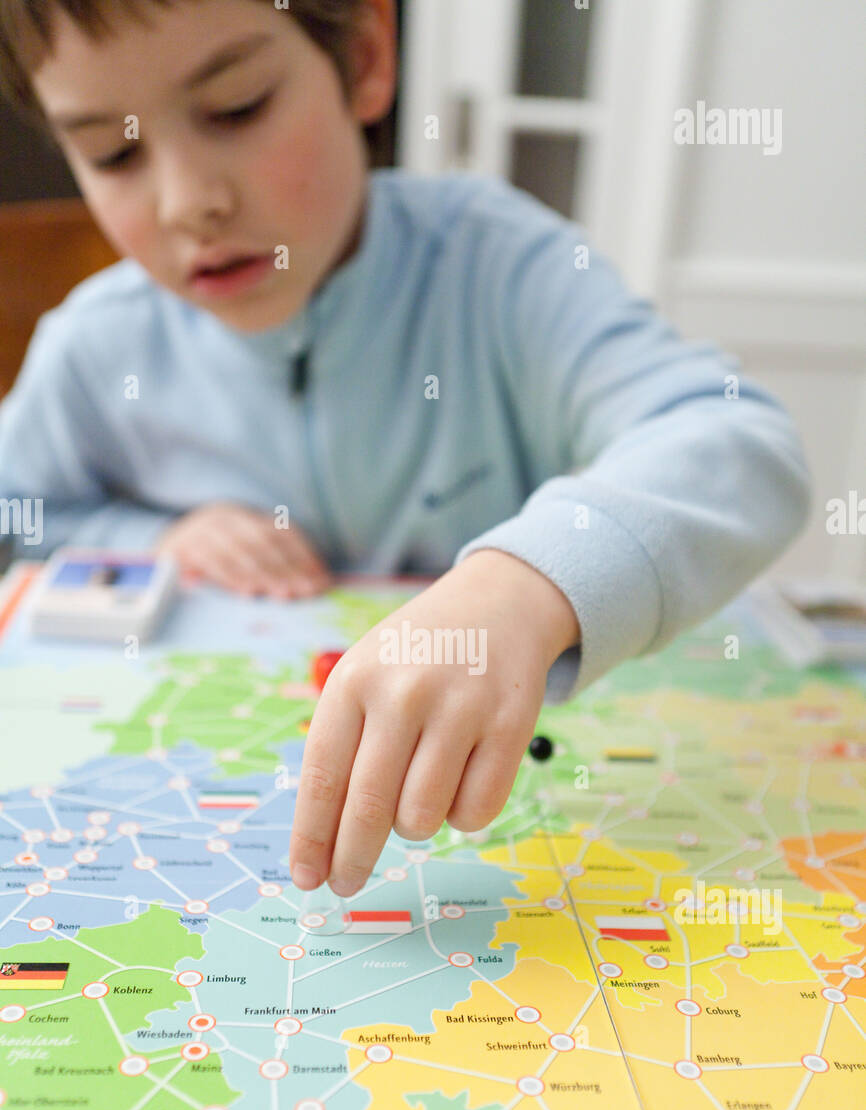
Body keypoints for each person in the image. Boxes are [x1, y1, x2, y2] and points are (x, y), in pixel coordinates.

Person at [0, 0, 812, 900]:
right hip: (218, 832)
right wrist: (154, 535)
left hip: (499, 835)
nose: (190, 199)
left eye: (236, 108)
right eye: (113, 152)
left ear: (366, 57)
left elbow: (735, 438)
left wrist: (521, 587)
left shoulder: (498, 267)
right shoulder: (96, 347)